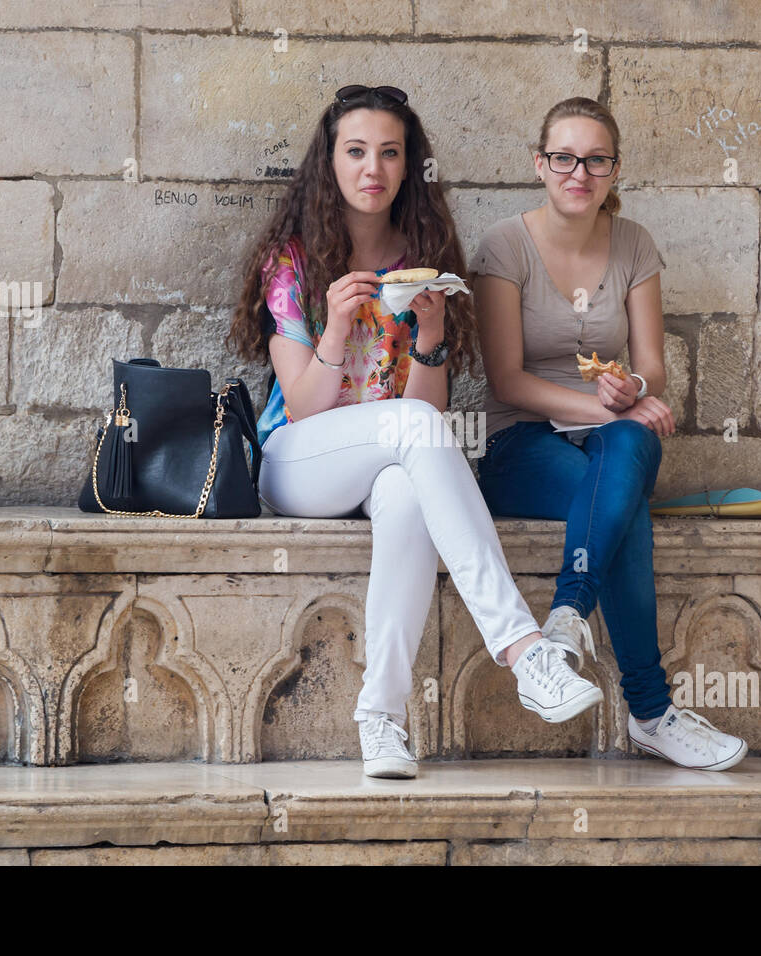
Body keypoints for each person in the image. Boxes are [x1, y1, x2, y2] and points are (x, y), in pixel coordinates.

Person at [228, 85, 602, 780]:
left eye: (390, 153)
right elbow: (307, 407)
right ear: (330, 162)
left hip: (386, 454)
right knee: (409, 433)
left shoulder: (419, 256)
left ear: (407, 167)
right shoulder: (293, 261)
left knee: (406, 493)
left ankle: (382, 719)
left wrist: (430, 338)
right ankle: (524, 648)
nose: (373, 167)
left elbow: (421, 411)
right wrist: (337, 326)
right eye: (357, 151)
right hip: (299, 459)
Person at [472, 97, 749, 771]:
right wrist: (612, 412)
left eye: (596, 160)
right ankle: (652, 712)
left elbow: (651, 368)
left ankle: (569, 614)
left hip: (612, 441)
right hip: (522, 443)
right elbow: (507, 381)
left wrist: (635, 393)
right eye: (564, 158)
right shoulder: (503, 247)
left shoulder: (634, 245)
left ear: (614, 170)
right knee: (620, 508)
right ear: (541, 165)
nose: (579, 173)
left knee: (627, 453)